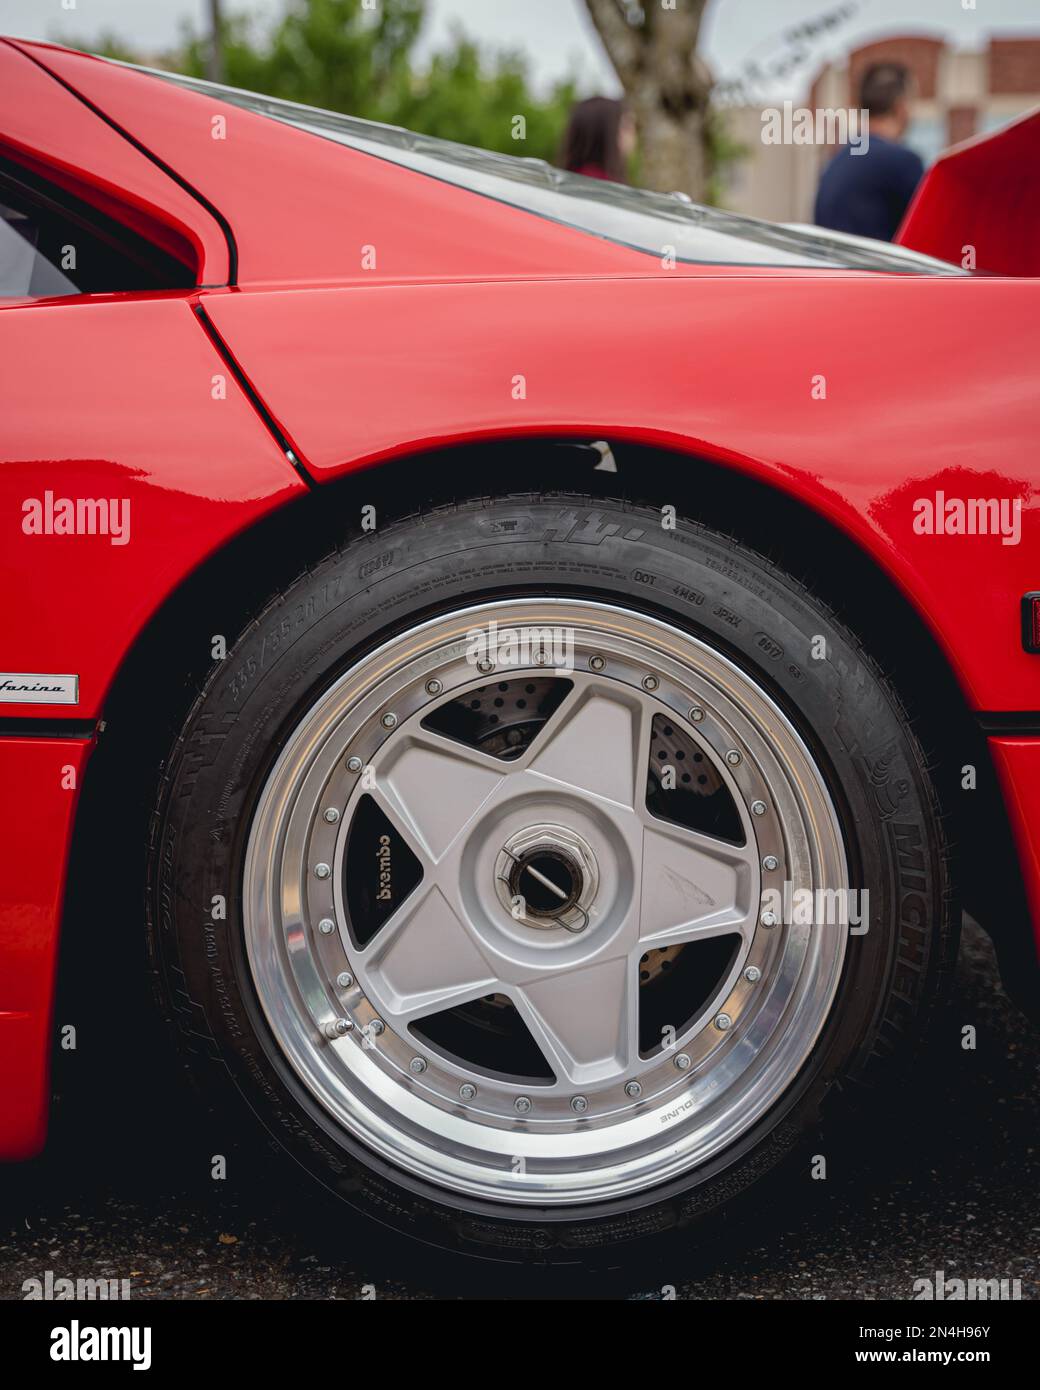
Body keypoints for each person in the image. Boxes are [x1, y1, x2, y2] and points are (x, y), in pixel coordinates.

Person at [814, 62, 925, 242]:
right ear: (901, 106)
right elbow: (930, 232)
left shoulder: (837, 160)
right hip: (879, 269)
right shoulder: (902, 162)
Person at [558, 96, 636, 183]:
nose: (633, 133)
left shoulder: (570, 178)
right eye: (627, 127)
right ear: (607, 133)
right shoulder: (600, 185)